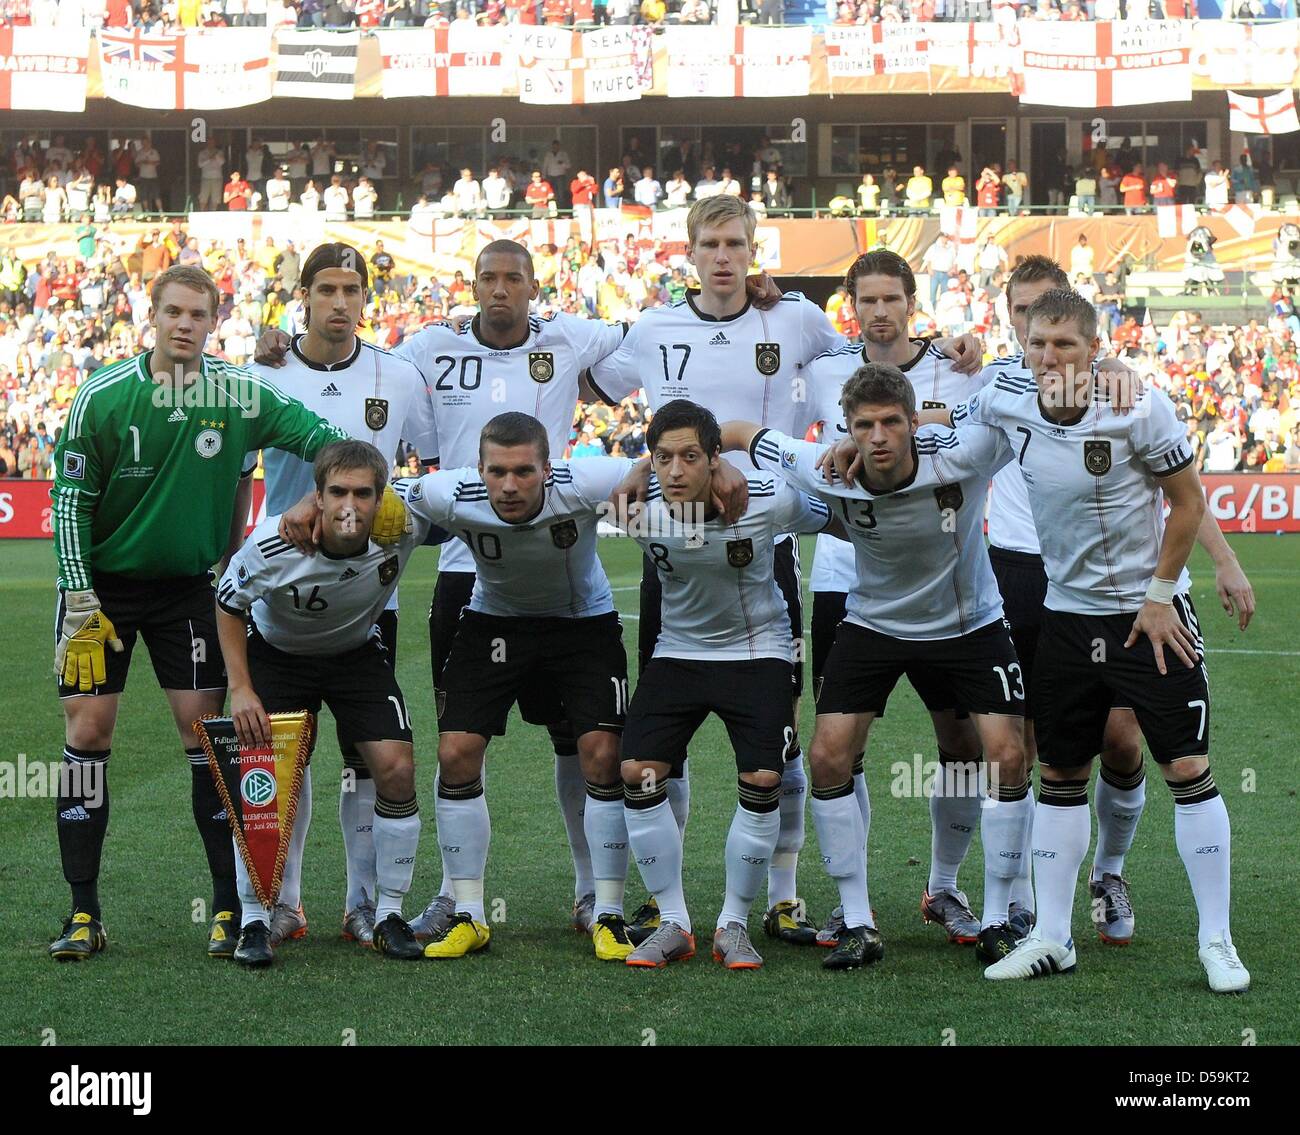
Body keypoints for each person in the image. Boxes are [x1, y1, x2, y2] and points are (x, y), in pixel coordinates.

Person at [593, 195, 981, 945]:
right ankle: (661, 902)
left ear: (752, 250)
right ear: (689, 252)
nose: (724, 256)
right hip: (674, 539)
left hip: (766, 532)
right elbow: (584, 373)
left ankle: (784, 891)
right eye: (710, 243)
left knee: (789, 737)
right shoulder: (650, 326)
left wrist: (955, 346)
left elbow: (881, 362)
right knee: (656, 741)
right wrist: (645, 465)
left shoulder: (800, 320)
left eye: (737, 242)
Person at [263, 239, 632, 942]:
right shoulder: (424, 351)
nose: (500, 290)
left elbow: (650, 338)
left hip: (560, 576)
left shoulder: (569, 337)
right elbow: (410, 446)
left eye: (513, 279)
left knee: (580, 741)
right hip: (467, 576)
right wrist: (276, 340)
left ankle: (593, 893)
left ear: (531, 285)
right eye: (487, 279)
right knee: (458, 742)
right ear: (471, 285)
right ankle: (449, 894)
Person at [46, 265, 348, 962]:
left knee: (206, 739)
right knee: (87, 734)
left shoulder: (241, 394)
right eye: (173, 311)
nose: (185, 323)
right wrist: (79, 596)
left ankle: (227, 907)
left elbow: (332, 442)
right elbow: (69, 504)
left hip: (188, 588)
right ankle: (83, 912)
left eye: (198, 314)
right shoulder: (103, 396)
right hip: (102, 590)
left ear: (215, 321)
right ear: (150, 315)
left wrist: (312, 498)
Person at [959, 289, 1249, 994]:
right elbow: (952, 413)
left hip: (1151, 616)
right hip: (1066, 618)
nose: (1050, 357)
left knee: (1186, 766)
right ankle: (1053, 937)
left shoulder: (1138, 404)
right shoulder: (1006, 394)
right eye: (1038, 343)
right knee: (1058, 772)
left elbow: (1188, 501)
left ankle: (1217, 940)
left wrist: (1158, 597)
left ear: (1095, 349)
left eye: (1066, 344)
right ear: (1021, 345)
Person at [725, 361, 1033, 971]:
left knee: (1006, 754)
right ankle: (859, 921)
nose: (879, 436)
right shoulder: (822, 466)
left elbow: (1015, 406)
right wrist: (676, 468)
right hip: (874, 624)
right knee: (827, 754)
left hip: (969, 622)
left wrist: (955, 411)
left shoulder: (963, 455)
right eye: (864, 425)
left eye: (893, 422)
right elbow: (735, 432)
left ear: (913, 423)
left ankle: (999, 915)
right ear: (847, 429)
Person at [797, 250, 993, 951]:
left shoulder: (959, 362)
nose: (879, 310)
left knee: (962, 740)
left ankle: (945, 886)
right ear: (851, 303)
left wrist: (974, 347)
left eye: (891, 297)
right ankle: (853, 906)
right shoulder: (822, 368)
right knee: (841, 750)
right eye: (866, 299)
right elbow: (785, 434)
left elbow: (999, 403)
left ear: (913, 300)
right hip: (845, 580)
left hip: (945, 589)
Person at [243, 243, 437, 948]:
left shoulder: (399, 374)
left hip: (366, 600)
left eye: (352, 287)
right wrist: (236, 552)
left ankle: (363, 903)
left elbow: (425, 472)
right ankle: (283, 903)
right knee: (284, 753)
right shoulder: (260, 372)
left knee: (367, 758)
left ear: (366, 297)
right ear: (303, 295)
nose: (340, 300)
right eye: (326, 287)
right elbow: (243, 475)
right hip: (280, 590)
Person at [395, 413, 636, 961]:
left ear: (548, 469)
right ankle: (468, 913)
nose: (509, 485)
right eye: (497, 472)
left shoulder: (584, 482)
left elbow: (655, 466)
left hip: (582, 623)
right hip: (494, 621)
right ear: (478, 469)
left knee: (601, 754)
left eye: (524, 472)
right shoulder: (450, 492)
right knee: (456, 753)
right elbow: (383, 495)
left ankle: (606, 910)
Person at [617, 400, 836, 969]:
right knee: (637, 773)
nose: (675, 471)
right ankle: (674, 922)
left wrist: (741, 465)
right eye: (663, 458)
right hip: (678, 653)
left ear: (714, 458)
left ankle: (734, 923)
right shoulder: (634, 507)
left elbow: (831, 507)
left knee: (764, 776)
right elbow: (584, 489)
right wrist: (638, 471)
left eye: (690, 456)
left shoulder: (766, 499)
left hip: (757, 651)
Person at [216, 440, 438, 965]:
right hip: (278, 654)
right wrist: (241, 687)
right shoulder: (275, 542)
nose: (349, 505)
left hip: (355, 653)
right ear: (316, 496)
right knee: (262, 779)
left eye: (364, 494)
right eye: (337, 491)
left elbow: (469, 496)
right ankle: (255, 917)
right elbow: (228, 602)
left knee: (396, 768)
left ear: (381, 498)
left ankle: (385, 912)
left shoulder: (404, 526)